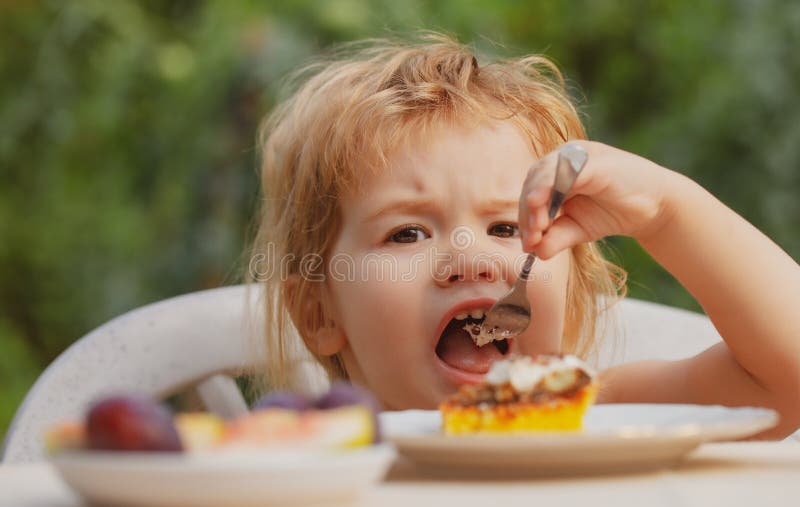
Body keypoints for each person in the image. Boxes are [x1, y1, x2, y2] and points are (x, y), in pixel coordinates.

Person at [248, 33, 800, 438]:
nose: (471, 260)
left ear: (574, 294)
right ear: (319, 313)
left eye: (507, 227)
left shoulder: (593, 417)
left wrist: (666, 214)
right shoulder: (311, 461)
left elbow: (788, 380)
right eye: (408, 233)